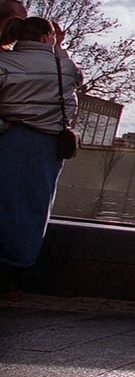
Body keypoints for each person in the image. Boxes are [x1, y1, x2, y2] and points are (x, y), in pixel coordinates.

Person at [0, 17, 81, 299]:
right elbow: (77, 78)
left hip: (9, 138)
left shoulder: (5, 62)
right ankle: (13, 277)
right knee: (33, 207)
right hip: (46, 146)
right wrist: (60, 47)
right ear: (48, 37)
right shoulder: (62, 66)